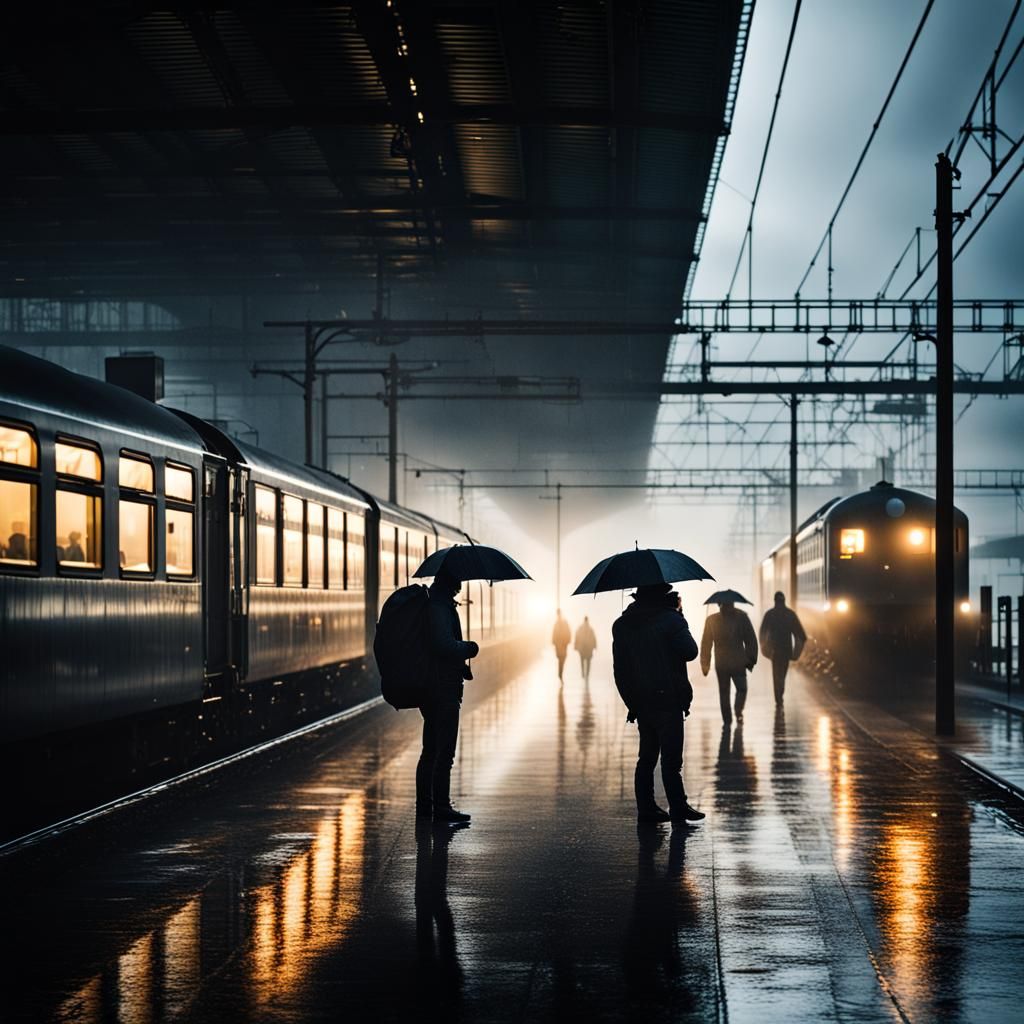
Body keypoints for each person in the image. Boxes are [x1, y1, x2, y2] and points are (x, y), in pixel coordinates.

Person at [612, 582, 705, 824]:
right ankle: (678, 806)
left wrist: (631, 702)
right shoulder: (671, 620)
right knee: (671, 760)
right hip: (669, 699)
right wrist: (680, 615)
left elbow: (620, 670)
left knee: (647, 758)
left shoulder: (622, 625)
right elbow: (690, 651)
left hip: (643, 701)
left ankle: (647, 808)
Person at [417, 570, 479, 824]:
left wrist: (460, 663)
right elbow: (443, 645)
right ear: (450, 581)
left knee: (431, 749)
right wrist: (469, 648)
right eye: (459, 579)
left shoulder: (436, 604)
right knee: (444, 751)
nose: (462, 583)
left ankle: (425, 805)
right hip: (442, 688)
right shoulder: (440, 608)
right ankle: (440, 806)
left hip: (435, 684)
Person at [700, 599, 758, 724]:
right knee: (742, 689)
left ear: (718, 604)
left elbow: (706, 644)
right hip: (738, 662)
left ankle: (727, 720)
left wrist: (705, 664)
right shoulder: (742, 617)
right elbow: (750, 639)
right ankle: (738, 711)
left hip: (721, 663)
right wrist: (751, 659)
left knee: (724, 691)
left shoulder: (711, 620)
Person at [759, 591, 807, 704]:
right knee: (783, 674)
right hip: (786, 650)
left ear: (774, 600)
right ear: (784, 600)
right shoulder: (790, 614)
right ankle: (780, 693)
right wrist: (796, 652)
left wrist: (764, 648)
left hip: (774, 650)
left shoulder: (769, 614)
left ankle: (778, 697)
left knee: (776, 674)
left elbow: (762, 633)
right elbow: (801, 635)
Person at [574, 616, 597, 680]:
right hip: (587, 648)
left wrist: (575, 646)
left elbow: (577, 637)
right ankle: (586, 674)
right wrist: (595, 646)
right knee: (588, 662)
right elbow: (594, 638)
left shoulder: (581, 628)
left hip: (583, 648)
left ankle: (584, 673)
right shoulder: (590, 629)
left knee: (583, 661)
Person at [552, 609, 571, 682]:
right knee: (562, 659)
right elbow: (568, 632)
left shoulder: (557, 623)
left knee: (561, 659)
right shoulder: (562, 623)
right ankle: (560, 673)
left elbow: (554, 635)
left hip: (561, 645)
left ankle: (560, 673)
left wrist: (554, 642)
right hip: (562, 645)